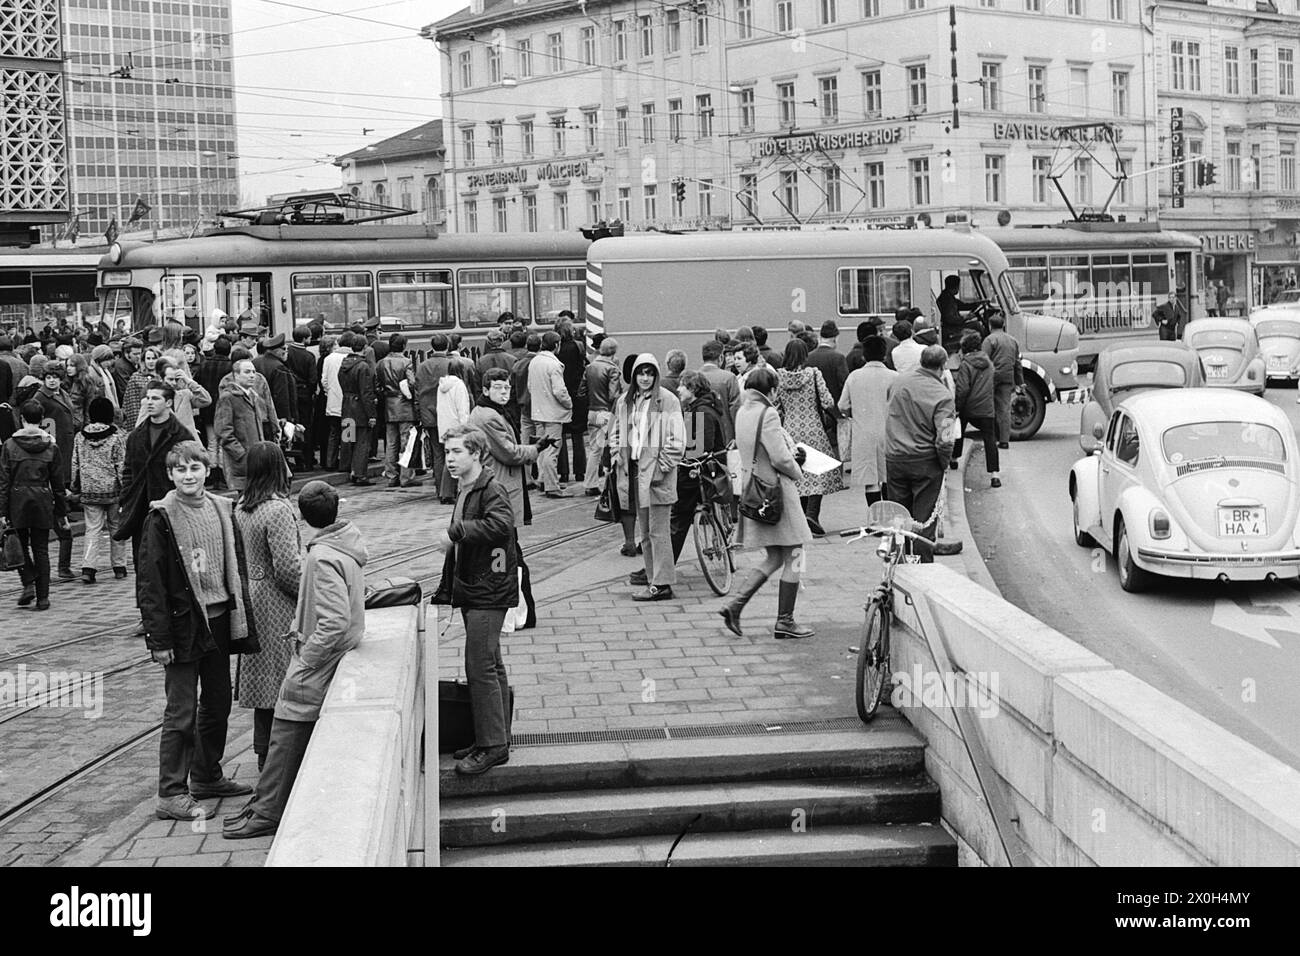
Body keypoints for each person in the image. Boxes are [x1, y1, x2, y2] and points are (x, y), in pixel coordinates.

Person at [222, 481, 367, 839]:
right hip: (331, 656)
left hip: (320, 662)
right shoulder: (344, 544)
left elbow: (333, 621)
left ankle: (268, 810)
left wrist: (307, 658)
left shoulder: (320, 557)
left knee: (285, 732)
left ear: (301, 516)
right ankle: (264, 804)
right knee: (285, 733)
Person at [138, 440, 255, 822]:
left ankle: (206, 774)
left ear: (208, 470)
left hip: (220, 621)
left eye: (195, 468)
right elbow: (150, 584)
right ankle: (171, 791)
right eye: (180, 470)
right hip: (183, 624)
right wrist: (159, 640)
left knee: (219, 702)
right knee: (181, 711)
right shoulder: (161, 518)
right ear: (170, 475)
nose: (189, 476)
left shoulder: (223, 509)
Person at [431, 426, 519, 775]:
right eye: (448, 452)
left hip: (488, 589)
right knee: (491, 662)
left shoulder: (491, 489)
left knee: (479, 665)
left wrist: (456, 533)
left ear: (477, 454)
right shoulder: (468, 488)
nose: (450, 459)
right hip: (476, 586)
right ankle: (494, 735)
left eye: (457, 452)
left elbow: (501, 525)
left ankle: (492, 747)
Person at [718, 367, 813, 639]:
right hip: (776, 491)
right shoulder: (768, 413)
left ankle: (735, 605)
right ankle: (785, 621)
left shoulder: (744, 411)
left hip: (754, 490)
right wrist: (798, 469)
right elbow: (780, 458)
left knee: (774, 556)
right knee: (795, 554)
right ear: (771, 390)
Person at [232, 442, 303, 773]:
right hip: (277, 604)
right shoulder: (278, 510)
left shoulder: (241, 508)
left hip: (250, 600)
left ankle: (263, 752)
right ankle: (280, 759)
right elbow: (289, 568)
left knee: (263, 681)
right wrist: (310, 594)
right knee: (284, 680)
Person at [468, 368, 551, 628]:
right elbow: (509, 452)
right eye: (498, 388)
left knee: (507, 552)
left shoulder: (490, 412)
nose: (504, 392)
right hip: (500, 491)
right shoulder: (488, 417)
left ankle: (513, 611)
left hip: (499, 487)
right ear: (485, 390)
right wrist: (536, 448)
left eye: (507, 388)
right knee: (509, 554)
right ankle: (518, 613)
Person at [608, 353, 685, 601]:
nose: (644, 378)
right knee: (646, 532)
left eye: (649, 373)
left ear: (656, 375)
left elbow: (677, 441)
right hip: (633, 472)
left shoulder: (667, 401)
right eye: (641, 373)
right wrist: (615, 455)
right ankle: (654, 580)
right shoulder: (625, 401)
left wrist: (662, 468)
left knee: (659, 531)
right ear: (634, 376)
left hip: (657, 475)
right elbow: (615, 432)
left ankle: (662, 584)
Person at [885, 345, 956, 561]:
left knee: (899, 517)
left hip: (895, 457)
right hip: (925, 460)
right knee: (924, 520)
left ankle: (898, 563)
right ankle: (923, 566)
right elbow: (945, 439)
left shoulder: (898, 382)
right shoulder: (943, 396)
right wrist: (944, 463)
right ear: (943, 367)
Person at [0, 400, 68, 610]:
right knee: (41, 549)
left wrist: (1, 510)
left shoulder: (10, 446)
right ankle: (43, 597)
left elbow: (3, 481)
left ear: (21, 419)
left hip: (17, 499)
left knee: (18, 545)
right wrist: (61, 511)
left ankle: (28, 579)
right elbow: (58, 483)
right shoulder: (51, 446)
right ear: (42, 420)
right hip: (42, 499)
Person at [660, 371, 728, 570]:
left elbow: (697, 450)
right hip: (712, 473)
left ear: (692, 388)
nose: (678, 389)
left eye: (682, 386)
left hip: (698, 475)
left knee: (677, 519)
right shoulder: (706, 407)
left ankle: (662, 568)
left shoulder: (700, 412)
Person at [774, 339, 841, 536]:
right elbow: (828, 401)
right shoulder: (813, 374)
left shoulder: (778, 377)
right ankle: (812, 514)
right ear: (805, 355)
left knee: (798, 473)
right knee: (816, 472)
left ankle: (801, 517)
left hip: (791, 430)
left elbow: (776, 406)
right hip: (813, 427)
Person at [72, 397, 127, 584]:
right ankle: (119, 566)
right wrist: (125, 488)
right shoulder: (116, 438)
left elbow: (75, 463)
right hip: (112, 490)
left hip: (89, 491)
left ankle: (88, 567)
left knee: (92, 529)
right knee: (116, 527)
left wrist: (75, 485)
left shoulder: (80, 437)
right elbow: (121, 465)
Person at [839, 337, 897, 507]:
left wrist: (854, 412)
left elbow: (842, 405)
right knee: (887, 478)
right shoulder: (895, 377)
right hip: (889, 434)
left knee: (870, 481)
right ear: (884, 355)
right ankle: (888, 518)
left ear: (864, 356)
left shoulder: (854, 377)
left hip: (863, 433)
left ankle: (875, 520)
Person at [214, 359, 272, 492]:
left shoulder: (253, 396)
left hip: (257, 460)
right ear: (236, 375)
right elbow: (223, 432)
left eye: (253, 372)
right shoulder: (227, 398)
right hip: (242, 462)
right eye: (247, 372)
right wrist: (241, 454)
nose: (252, 375)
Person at [952, 332, 1001, 488]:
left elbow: (963, 389)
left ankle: (953, 458)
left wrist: (958, 407)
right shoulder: (989, 363)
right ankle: (994, 475)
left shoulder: (966, 364)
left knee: (959, 430)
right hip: (986, 407)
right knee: (990, 439)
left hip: (968, 407)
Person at [527, 331, 572, 498]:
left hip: (537, 411)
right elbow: (560, 391)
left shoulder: (534, 362)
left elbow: (530, 387)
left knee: (541, 448)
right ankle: (552, 487)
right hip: (552, 413)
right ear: (556, 345)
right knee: (552, 450)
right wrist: (569, 403)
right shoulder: (554, 365)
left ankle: (543, 479)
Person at [416, 333, 457, 502]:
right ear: (447, 346)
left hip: (429, 413)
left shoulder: (422, 366)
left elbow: (417, 390)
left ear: (432, 346)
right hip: (447, 414)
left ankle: (440, 489)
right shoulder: (451, 364)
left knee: (437, 453)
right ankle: (450, 490)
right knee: (452, 450)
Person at [583, 336, 622, 495]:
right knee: (613, 448)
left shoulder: (590, 367)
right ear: (614, 352)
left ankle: (590, 484)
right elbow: (614, 395)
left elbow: (581, 390)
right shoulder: (612, 369)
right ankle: (611, 484)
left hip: (592, 412)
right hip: (606, 412)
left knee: (594, 450)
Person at [337, 333, 376, 486]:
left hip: (346, 405)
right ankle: (359, 474)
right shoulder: (363, 366)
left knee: (348, 439)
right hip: (359, 409)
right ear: (365, 347)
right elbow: (366, 392)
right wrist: (371, 414)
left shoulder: (344, 363)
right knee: (362, 442)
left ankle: (347, 468)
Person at [981, 313, 1024, 449]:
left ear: (990, 326)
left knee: (988, 409)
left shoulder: (989, 340)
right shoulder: (1013, 341)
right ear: (1003, 325)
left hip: (991, 377)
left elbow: (984, 361)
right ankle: (1004, 441)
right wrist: (1020, 382)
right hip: (1007, 377)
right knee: (1004, 409)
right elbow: (1017, 364)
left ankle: (991, 439)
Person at [145, 356, 211, 440]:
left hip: (189, 444)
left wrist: (188, 381)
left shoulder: (185, 395)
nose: (174, 383)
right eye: (170, 379)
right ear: (161, 379)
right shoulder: (153, 399)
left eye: (176, 380)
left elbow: (206, 400)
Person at [555, 318, 587, 487]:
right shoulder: (578, 346)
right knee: (578, 435)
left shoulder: (556, 350)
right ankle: (581, 472)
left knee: (560, 436)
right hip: (577, 395)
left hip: (560, 396)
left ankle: (564, 473)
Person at [285, 326, 319, 470]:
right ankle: (307, 459)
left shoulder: (287, 352)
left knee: (293, 426)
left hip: (290, 393)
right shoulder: (308, 356)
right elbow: (313, 380)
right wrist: (310, 392)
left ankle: (297, 458)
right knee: (306, 427)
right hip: (304, 394)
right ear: (305, 339)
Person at [698, 341, 740, 438]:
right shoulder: (729, 378)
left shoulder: (694, 377)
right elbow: (735, 409)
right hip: (724, 434)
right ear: (721, 357)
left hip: (699, 435)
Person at [253, 334, 298, 425]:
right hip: (274, 415)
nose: (286, 352)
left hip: (257, 411)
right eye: (284, 349)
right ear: (277, 351)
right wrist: (285, 418)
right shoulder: (279, 367)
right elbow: (282, 395)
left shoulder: (255, 362)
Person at [806, 320, 850, 403]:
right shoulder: (839, 358)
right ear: (835, 339)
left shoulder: (809, 357)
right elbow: (844, 384)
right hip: (834, 408)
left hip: (814, 409)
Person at [321, 333, 347, 471]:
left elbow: (324, 380)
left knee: (333, 434)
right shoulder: (350, 358)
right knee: (348, 434)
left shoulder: (328, 358)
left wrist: (328, 393)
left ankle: (330, 463)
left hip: (332, 402)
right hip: (348, 404)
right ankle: (346, 462)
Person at [121, 346, 162, 429]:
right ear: (144, 360)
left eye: (154, 358)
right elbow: (131, 406)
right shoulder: (135, 378)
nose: (151, 361)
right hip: (142, 421)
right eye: (148, 358)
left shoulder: (163, 377)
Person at [937, 274, 978, 352]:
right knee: (976, 325)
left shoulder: (949, 297)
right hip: (950, 329)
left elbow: (963, 306)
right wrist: (966, 317)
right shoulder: (947, 300)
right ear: (955, 286)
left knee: (975, 324)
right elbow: (951, 319)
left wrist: (977, 304)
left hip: (952, 326)